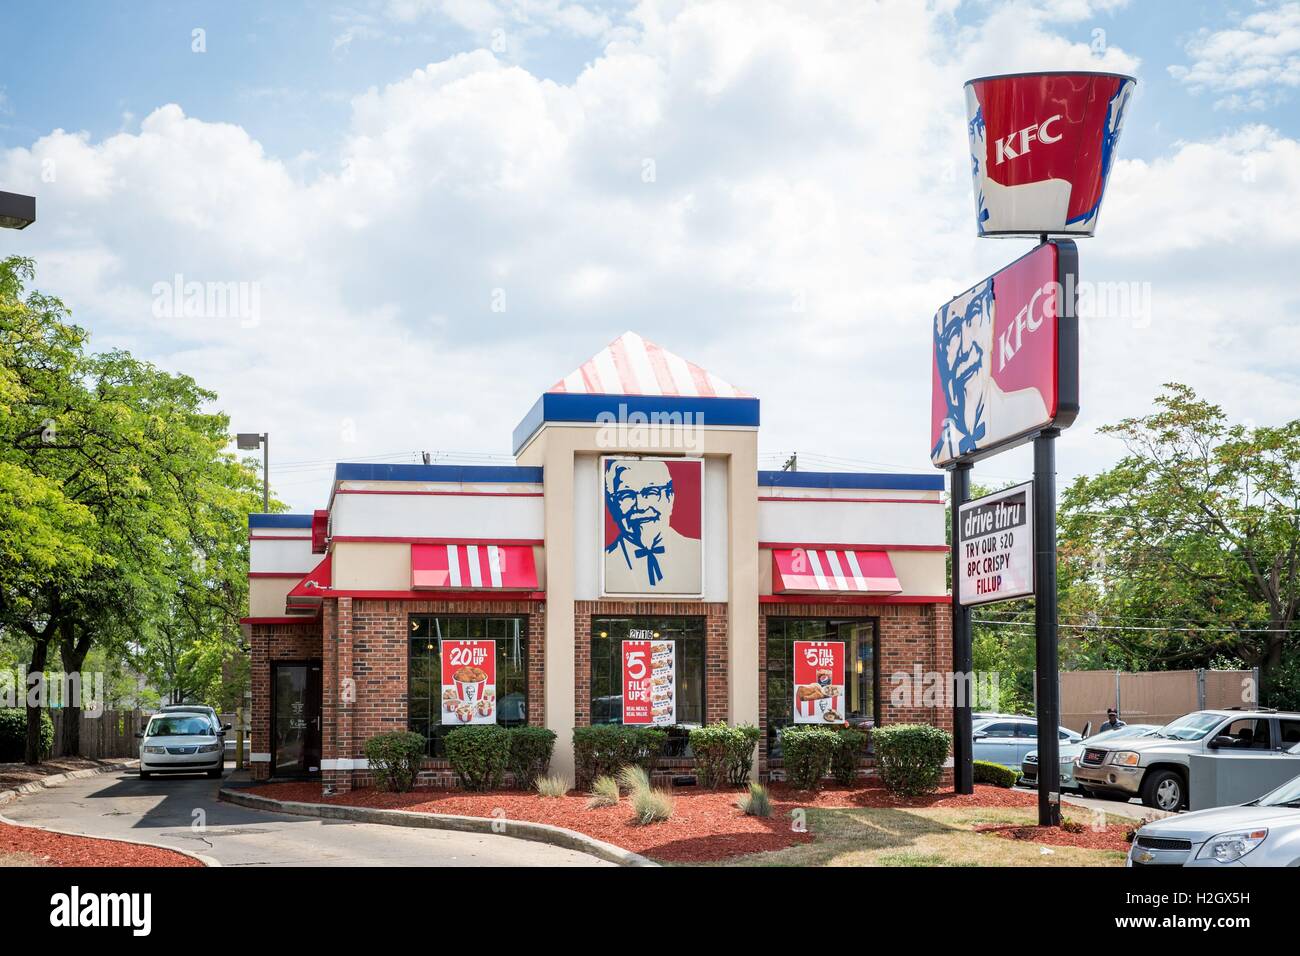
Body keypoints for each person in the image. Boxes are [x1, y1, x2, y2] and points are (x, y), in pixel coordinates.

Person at [603, 459, 700, 594]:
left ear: (670, 498)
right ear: (612, 507)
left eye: (651, 492)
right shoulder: (603, 564)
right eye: (626, 495)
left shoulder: (697, 555)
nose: (640, 506)